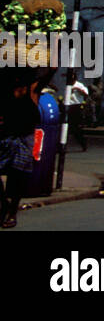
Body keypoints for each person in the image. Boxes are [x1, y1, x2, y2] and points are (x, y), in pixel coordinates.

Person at [0, 73, 41, 228]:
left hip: (25, 137)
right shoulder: (5, 86)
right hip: (6, 134)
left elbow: (51, 69)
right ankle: (4, 203)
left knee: (19, 174)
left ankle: (12, 211)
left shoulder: (32, 90)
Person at [66, 79, 90, 152]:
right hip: (69, 106)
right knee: (66, 127)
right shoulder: (67, 85)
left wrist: (77, 89)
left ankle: (83, 143)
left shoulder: (79, 85)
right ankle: (63, 145)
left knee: (76, 128)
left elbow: (86, 94)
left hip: (77, 107)